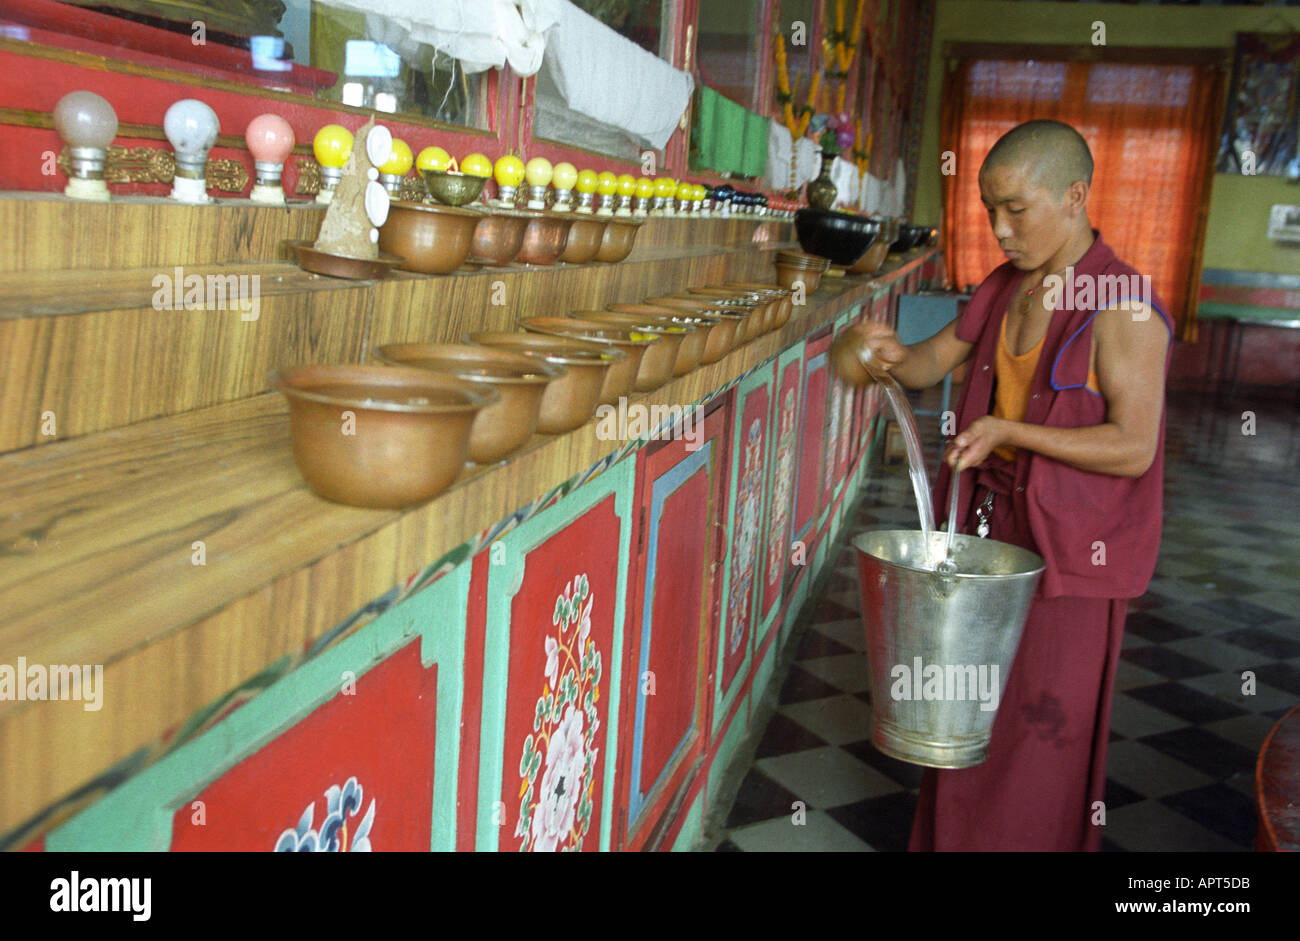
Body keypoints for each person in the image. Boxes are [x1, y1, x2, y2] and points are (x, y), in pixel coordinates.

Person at [831, 119, 1174, 851]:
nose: (998, 228)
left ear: (1075, 195)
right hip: (996, 538)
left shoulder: (1123, 306)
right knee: (963, 717)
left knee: (1037, 742)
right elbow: (928, 363)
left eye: (1016, 208)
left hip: (1077, 556)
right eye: (989, 209)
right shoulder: (1004, 285)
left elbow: (1134, 447)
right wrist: (881, 351)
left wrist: (1010, 432)